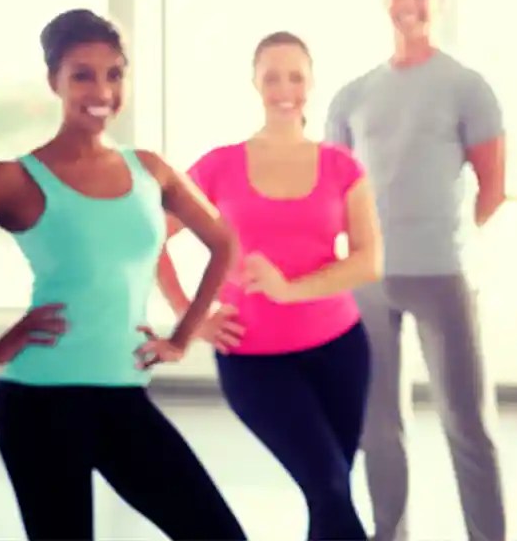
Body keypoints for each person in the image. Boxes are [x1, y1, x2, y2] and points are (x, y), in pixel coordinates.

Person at [0, 8, 246, 540]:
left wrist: (184, 333)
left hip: (122, 396)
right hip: (39, 403)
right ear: (54, 80)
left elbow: (223, 241)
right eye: (82, 73)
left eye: (114, 73)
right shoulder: (15, 178)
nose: (101, 89)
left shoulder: (149, 170)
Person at [155, 31, 382, 540]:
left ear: (312, 83)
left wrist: (289, 289)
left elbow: (369, 261)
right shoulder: (219, 165)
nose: (285, 88)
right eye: (272, 76)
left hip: (340, 352)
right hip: (253, 359)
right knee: (327, 483)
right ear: (254, 83)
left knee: (331, 490)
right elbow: (150, 238)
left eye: (296, 76)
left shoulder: (342, 166)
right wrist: (192, 319)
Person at [325, 0, 507, 541]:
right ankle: (389, 534)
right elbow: (334, 189)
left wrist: (449, 238)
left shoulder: (467, 86)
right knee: (377, 424)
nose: (410, 2)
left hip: (442, 274)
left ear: (440, 3)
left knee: (466, 422)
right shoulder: (351, 96)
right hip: (369, 279)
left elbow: (493, 186)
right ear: (385, 0)